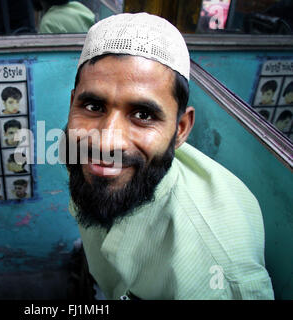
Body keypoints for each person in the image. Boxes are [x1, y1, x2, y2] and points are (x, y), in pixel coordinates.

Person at [64, 13, 274, 300]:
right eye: (93, 106)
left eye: (143, 115)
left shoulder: (219, 271)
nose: (107, 140)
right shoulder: (87, 158)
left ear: (181, 129)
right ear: (73, 103)